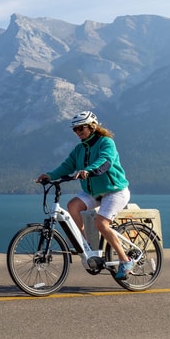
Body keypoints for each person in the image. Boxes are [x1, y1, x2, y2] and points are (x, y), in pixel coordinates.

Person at [36, 111, 135, 279]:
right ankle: (85, 244)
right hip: (93, 192)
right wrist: (50, 175)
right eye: (75, 129)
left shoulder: (106, 142)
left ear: (92, 126)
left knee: (101, 224)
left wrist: (88, 170)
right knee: (72, 206)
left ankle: (125, 261)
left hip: (115, 190)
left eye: (81, 128)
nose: (78, 132)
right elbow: (67, 166)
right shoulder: (79, 149)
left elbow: (105, 161)